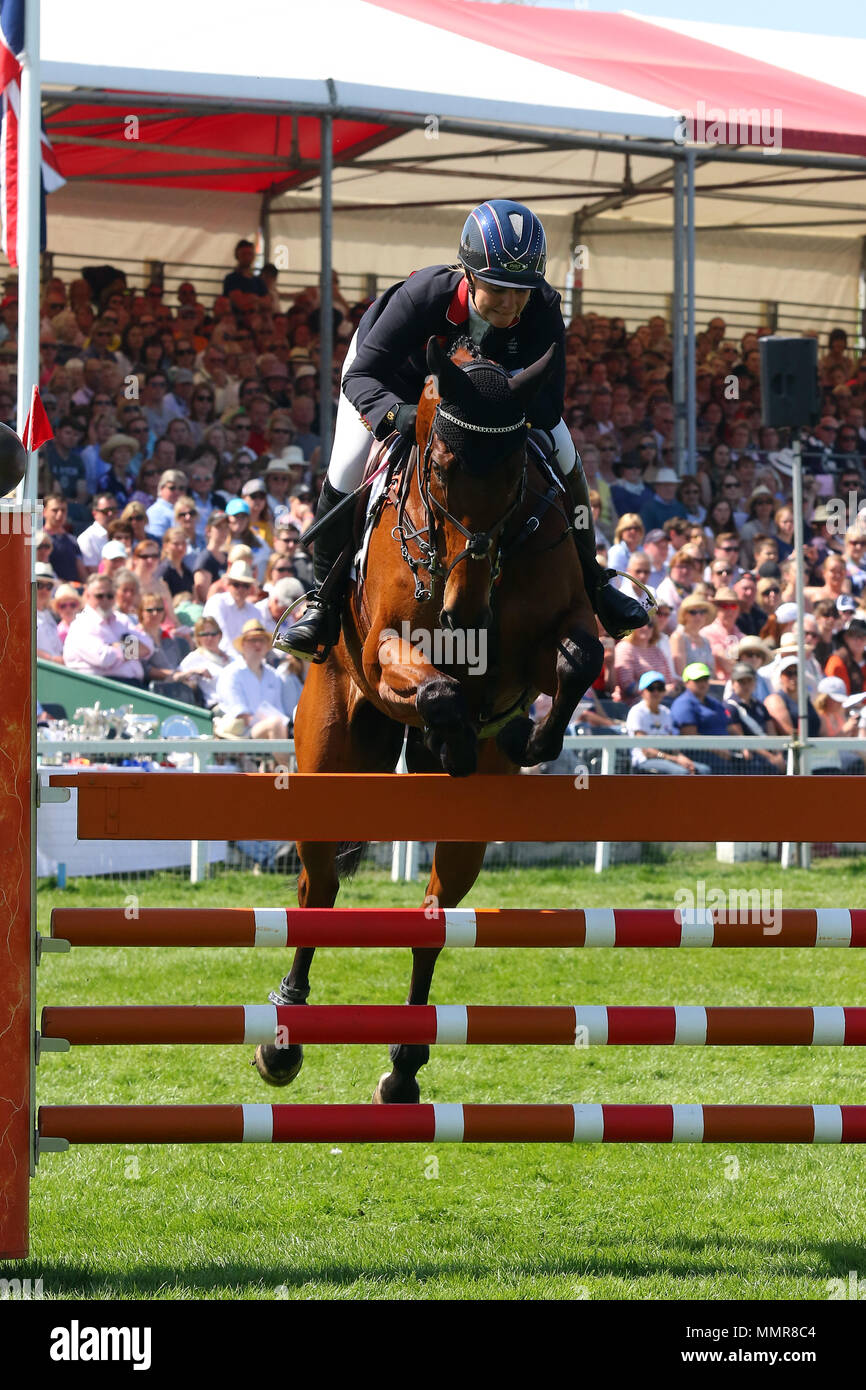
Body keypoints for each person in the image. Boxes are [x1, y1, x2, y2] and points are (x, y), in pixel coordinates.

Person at [281, 200, 646, 661]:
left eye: (521, 291)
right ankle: (322, 602)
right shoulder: (423, 297)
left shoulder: (543, 307)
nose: (510, 304)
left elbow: (548, 403)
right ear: (470, 276)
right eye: (498, 289)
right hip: (396, 383)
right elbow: (361, 376)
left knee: (567, 457)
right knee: (348, 466)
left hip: (491, 399)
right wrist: (400, 417)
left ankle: (594, 581)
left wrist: (495, 412)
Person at [62, 574, 153, 686]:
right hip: (99, 686)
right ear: (88, 596)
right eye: (99, 596)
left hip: (133, 685)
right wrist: (129, 648)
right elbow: (104, 658)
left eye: (110, 596)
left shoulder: (121, 619)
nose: (105, 600)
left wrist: (116, 647)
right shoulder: (81, 624)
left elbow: (148, 646)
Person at [214, 619, 297, 739]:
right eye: (252, 640)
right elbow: (241, 715)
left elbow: (279, 711)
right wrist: (273, 724)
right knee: (275, 724)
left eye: (262, 640)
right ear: (243, 644)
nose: (258, 644)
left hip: (270, 730)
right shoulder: (231, 673)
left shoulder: (273, 675)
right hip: (237, 734)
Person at [626, 670, 709, 775]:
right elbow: (646, 751)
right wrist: (675, 759)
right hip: (644, 760)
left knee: (704, 770)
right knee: (681, 772)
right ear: (642, 691)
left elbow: (671, 744)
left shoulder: (666, 712)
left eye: (660, 688)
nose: (656, 692)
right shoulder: (637, 712)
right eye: (651, 688)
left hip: (667, 758)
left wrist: (682, 758)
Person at [724, 661, 786, 772]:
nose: (746, 685)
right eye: (741, 681)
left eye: (749, 681)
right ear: (733, 683)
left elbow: (771, 732)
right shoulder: (729, 707)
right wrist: (771, 757)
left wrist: (778, 754)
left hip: (769, 753)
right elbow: (740, 738)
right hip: (753, 757)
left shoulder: (759, 705)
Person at [202, 559, 262, 657]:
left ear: (250, 588)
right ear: (228, 585)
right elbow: (220, 639)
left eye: (245, 585)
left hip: (245, 659)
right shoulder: (216, 602)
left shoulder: (255, 611)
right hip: (216, 657)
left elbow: (258, 640)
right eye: (236, 584)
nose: (241, 589)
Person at [176, 616, 234, 707]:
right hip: (218, 705)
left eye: (213, 634)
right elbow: (173, 678)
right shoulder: (195, 657)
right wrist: (194, 671)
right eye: (204, 634)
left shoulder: (231, 658)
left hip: (237, 702)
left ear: (220, 635)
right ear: (197, 637)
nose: (209, 638)